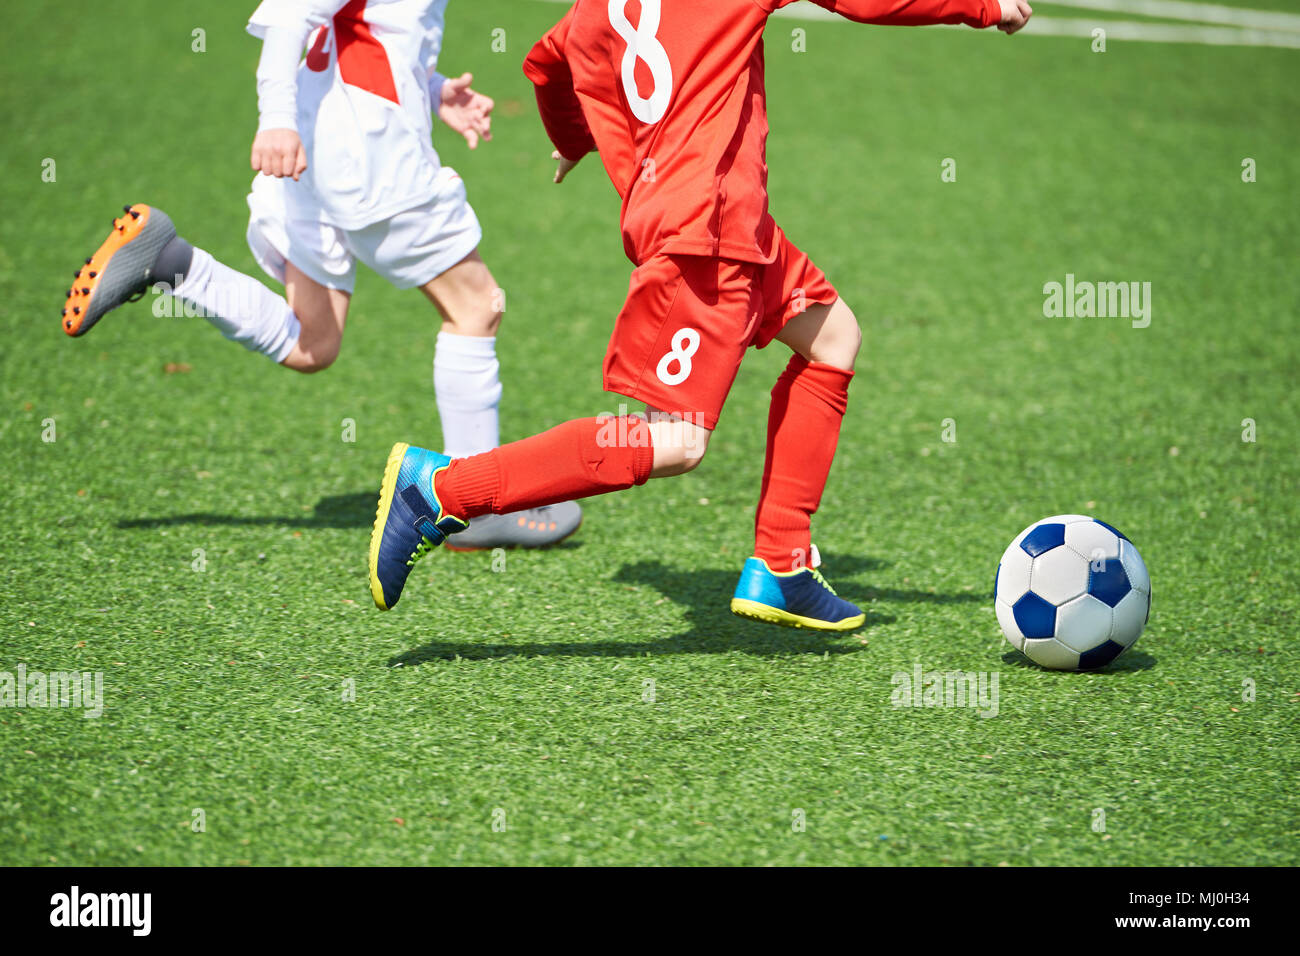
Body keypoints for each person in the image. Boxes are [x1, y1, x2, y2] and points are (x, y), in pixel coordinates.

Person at [369, 0, 1032, 621]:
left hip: (724, 223)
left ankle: (781, 561)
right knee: (677, 441)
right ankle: (444, 490)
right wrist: (981, 6)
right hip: (706, 230)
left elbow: (547, 63)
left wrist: (574, 140)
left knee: (834, 337)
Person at [60, 0, 581, 550]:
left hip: (322, 153)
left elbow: (359, 29)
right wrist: (276, 120)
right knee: (477, 306)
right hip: (370, 158)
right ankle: (475, 504)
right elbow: (292, 15)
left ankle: (171, 264)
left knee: (312, 343)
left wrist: (432, 88)